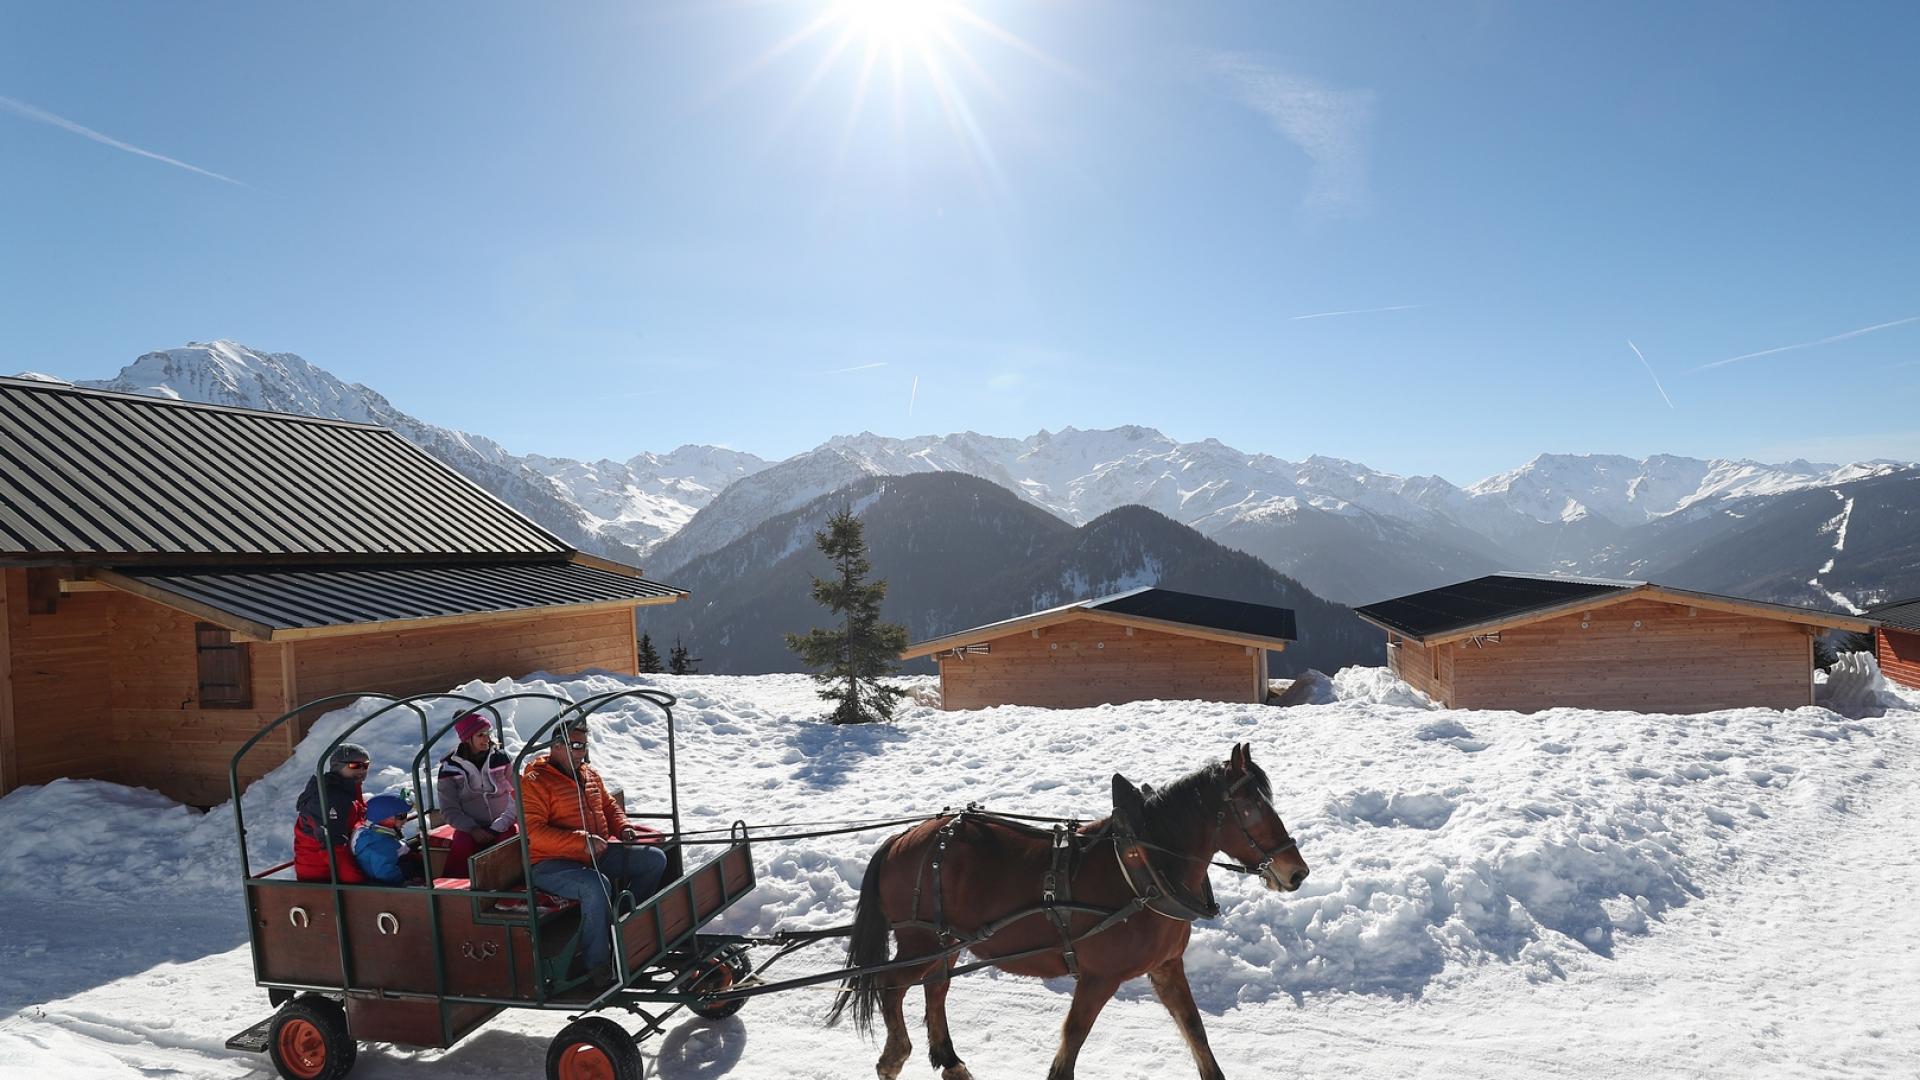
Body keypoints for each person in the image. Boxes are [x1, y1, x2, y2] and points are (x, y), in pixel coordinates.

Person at [521, 717, 667, 983]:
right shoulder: (535, 781)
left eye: (584, 746)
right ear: (556, 745)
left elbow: (609, 806)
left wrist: (623, 828)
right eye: (575, 745)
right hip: (550, 864)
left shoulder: (588, 773)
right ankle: (597, 965)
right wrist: (581, 841)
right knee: (595, 885)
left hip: (593, 855)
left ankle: (623, 930)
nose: (581, 752)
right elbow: (533, 833)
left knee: (653, 860)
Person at [435, 712, 519, 878]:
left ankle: (509, 882)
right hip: (470, 826)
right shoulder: (450, 769)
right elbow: (449, 808)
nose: (487, 739)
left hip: (503, 822)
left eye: (489, 733)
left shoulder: (501, 759)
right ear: (467, 738)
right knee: (462, 843)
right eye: (481, 735)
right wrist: (472, 828)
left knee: (509, 840)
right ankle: (457, 888)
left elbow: (518, 794)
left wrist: (500, 824)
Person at [294, 743, 372, 883]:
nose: (362, 770)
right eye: (355, 765)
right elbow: (333, 850)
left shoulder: (349, 789)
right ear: (338, 766)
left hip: (339, 867)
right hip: (322, 876)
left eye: (365, 765)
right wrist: (359, 883)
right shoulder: (328, 798)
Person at [352, 792, 418, 884]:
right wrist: (405, 882)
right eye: (401, 816)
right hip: (387, 887)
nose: (405, 820)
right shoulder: (379, 844)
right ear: (385, 818)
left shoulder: (375, 835)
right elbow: (385, 874)